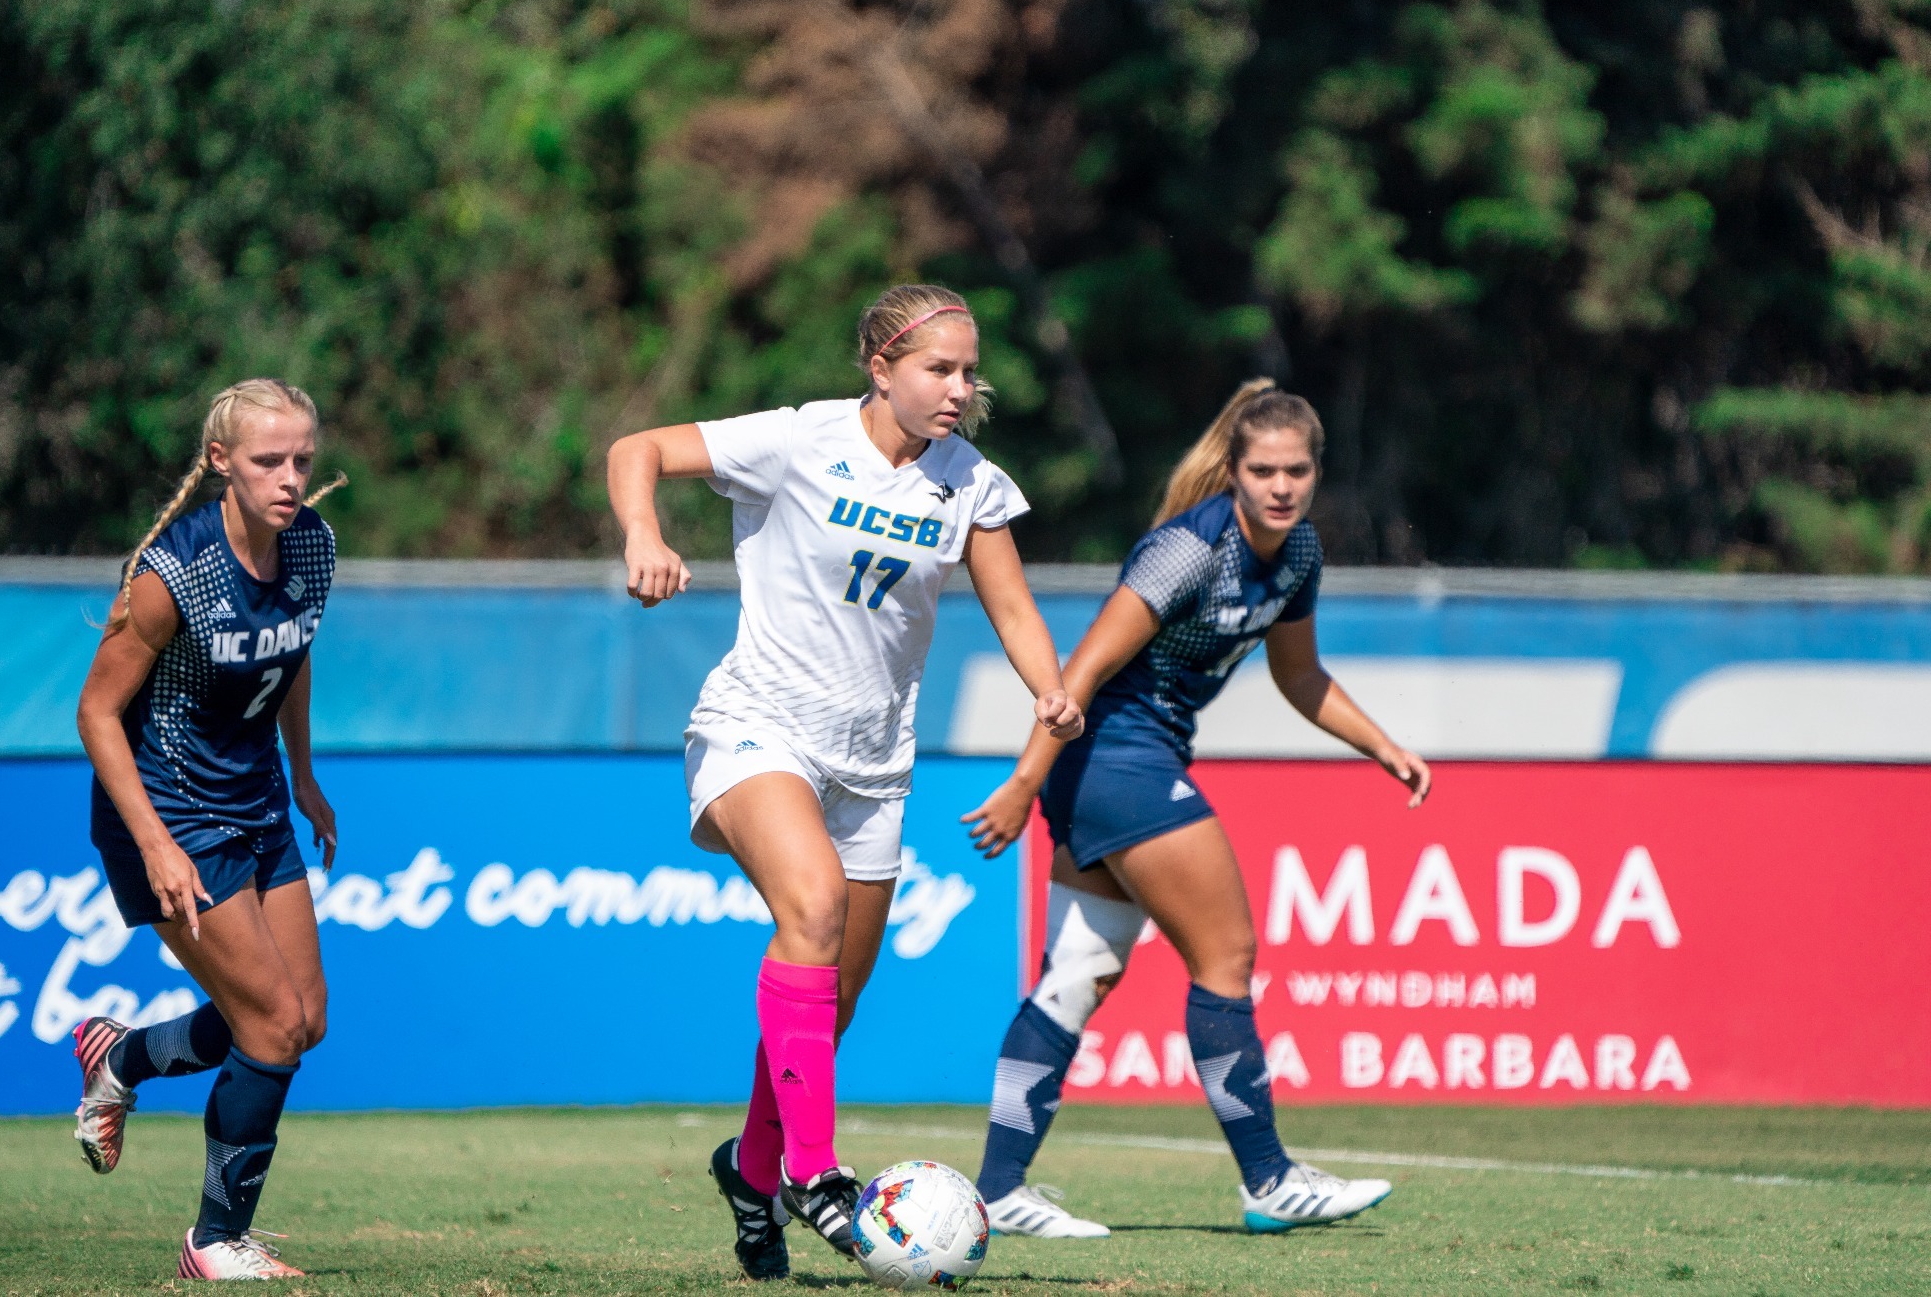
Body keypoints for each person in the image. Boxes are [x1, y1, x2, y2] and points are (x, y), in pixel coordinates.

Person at [607, 284, 1082, 1281]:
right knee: (812, 908)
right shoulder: (799, 440)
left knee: (828, 1008)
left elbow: (1015, 611)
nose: (958, 389)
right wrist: (644, 534)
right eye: (936, 370)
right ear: (880, 369)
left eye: (966, 372)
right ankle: (813, 1173)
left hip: (872, 765)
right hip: (756, 728)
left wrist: (1052, 692)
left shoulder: (969, 483)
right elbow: (634, 450)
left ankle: (750, 1169)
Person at [961, 379, 1432, 1239]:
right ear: (1236, 470)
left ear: (1316, 471)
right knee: (1226, 954)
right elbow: (1080, 671)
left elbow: (1300, 677)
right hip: (1111, 756)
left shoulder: (1298, 554)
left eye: (1297, 469)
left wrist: (1382, 745)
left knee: (1076, 977)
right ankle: (1269, 1179)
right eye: (1263, 469)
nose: (1281, 485)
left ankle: (995, 1188)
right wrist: (1027, 779)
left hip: (1125, 763)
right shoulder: (1187, 549)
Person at [71, 378, 346, 1280]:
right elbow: (97, 713)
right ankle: (214, 1239)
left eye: (302, 458)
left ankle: (125, 1054)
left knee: (302, 1021)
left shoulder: (313, 545)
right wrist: (154, 842)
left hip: (259, 799)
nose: (291, 477)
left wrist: (303, 773)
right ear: (221, 461)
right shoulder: (172, 574)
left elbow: (293, 654)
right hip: (172, 813)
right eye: (269, 459)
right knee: (267, 1022)